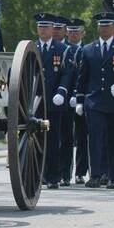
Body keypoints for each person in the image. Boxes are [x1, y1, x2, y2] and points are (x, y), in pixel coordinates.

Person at [72, 11, 114, 188]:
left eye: (107, 25)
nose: (104, 29)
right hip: (94, 102)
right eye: (101, 25)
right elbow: (82, 77)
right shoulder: (88, 50)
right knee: (94, 138)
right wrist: (79, 100)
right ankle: (95, 174)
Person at [39, 14, 71, 188]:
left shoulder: (62, 49)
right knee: (36, 141)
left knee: (53, 141)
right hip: (35, 103)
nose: (43, 30)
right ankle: (38, 174)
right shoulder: (32, 47)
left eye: (46, 27)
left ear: (52, 29)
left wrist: (62, 92)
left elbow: (66, 73)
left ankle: (53, 176)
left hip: (54, 101)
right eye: (40, 27)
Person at [61, 17, 88, 184]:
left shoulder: (89, 50)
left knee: (83, 136)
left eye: (76, 31)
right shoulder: (62, 50)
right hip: (63, 99)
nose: (72, 34)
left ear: (82, 33)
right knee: (65, 137)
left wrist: (78, 95)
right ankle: (65, 172)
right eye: (70, 31)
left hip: (82, 99)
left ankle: (80, 172)